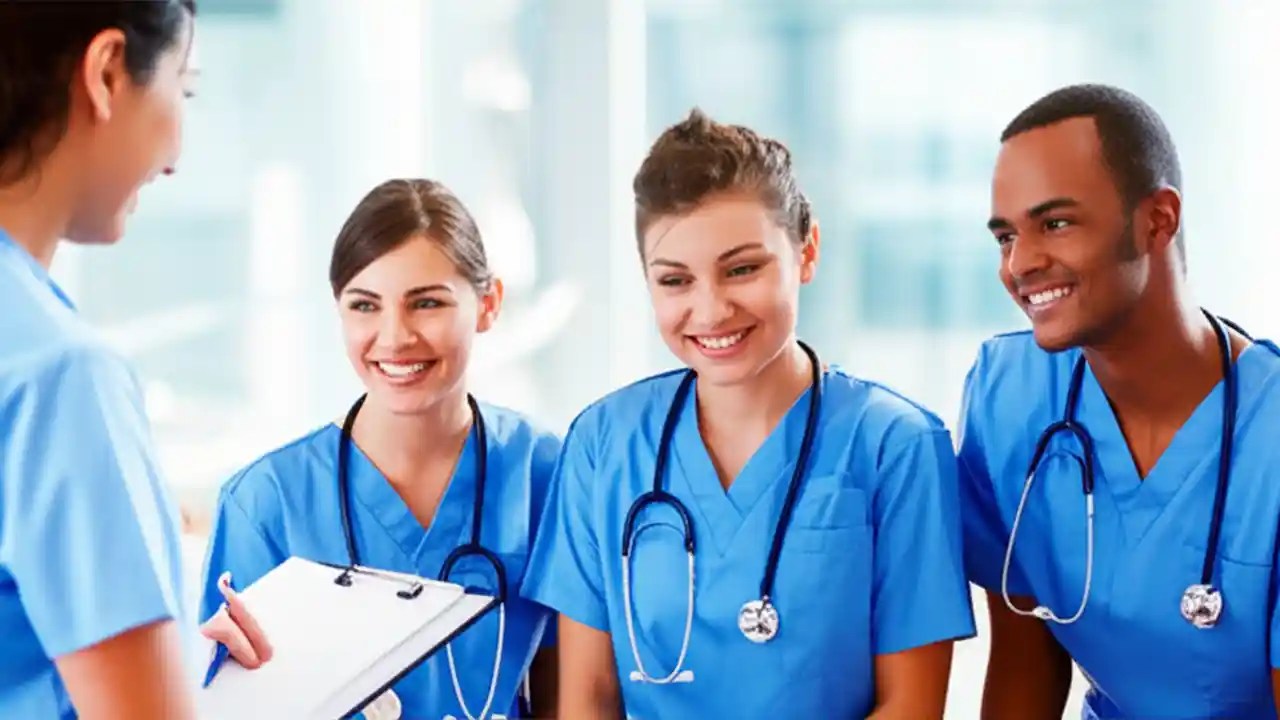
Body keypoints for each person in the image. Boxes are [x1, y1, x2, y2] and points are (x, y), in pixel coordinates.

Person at [521, 109, 975, 718]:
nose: (711, 311)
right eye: (675, 281)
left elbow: (911, 708)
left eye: (742, 269)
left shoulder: (895, 445)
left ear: (807, 251)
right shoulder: (604, 443)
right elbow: (588, 699)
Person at [960, 83, 1280, 719]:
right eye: (1005, 236)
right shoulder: (1008, 394)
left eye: (1055, 223)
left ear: (1157, 219)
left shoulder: (1268, 440)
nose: (1019, 263)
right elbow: (1025, 662)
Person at [198, 178, 560, 719]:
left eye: (427, 303)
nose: (394, 337)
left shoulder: (543, 474)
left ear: (488, 304)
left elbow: (572, 685)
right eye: (365, 305)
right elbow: (226, 702)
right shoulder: (267, 502)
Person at [0, 2, 270, 718]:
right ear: (107, 73)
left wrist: (164, 657)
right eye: (184, 88)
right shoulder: (59, 376)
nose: (177, 154)